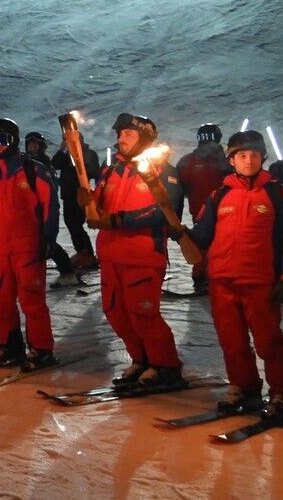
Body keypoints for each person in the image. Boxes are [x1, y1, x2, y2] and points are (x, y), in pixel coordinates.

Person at [182, 130, 283, 422]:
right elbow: (203, 234)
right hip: (222, 279)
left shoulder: (277, 192)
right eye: (242, 156)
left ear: (263, 158)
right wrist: (182, 234)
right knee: (232, 340)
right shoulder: (220, 194)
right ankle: (244, 388)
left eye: (254, 155)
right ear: (231, 160)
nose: (248, 160)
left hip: (260, 282)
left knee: (268, 340)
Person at [83, 112, 184, 388]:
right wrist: (88, 201)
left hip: (142, 254)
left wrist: (119, 220)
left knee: (143, 312)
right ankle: (141, 359)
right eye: (120, 134)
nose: (121, 139)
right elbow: (99, 209)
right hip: (111, 253)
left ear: (145, 138)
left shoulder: (163, 170)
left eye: (128, 133)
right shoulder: (111, 170)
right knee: (116, 311)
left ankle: (165, 366)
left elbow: (166, 211)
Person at [0, 118, 58, 370]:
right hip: (0, 250)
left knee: (31, 300)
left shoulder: (33, 170)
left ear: (14, 141)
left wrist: (48, 237)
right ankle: (10, 346)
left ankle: (41, 349)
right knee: (2, 301)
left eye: (3, 140)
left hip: (28, 247)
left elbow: (50, 205)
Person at [176, 123, 231, 293]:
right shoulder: (228, 160)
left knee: (203, 243)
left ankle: (202, 277)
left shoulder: (188, 162)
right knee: (223, 244)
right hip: (228, 212)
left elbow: (177, 191)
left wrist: (175, 218)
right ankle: (217, 277)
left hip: (203, 211)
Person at [24, 132, 79, 287]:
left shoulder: (43, 163)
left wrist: (64, 147)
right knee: (33, 240)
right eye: (29, 144)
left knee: (46, 240)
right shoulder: (26, 162)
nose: (32, 147)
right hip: (29, 208)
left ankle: (67, 271)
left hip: (43, 206)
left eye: (35, 144)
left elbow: (54, 171)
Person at [51, 131, 101, 270]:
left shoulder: (89, 153)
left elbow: (93, 170)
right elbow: (54, 164)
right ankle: (81, 251)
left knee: (76, 223)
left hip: (80, 193)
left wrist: (79, 163)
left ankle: (87, 253)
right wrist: (63, 149)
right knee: (70, 222)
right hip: (67, 193)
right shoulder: (66, 154)